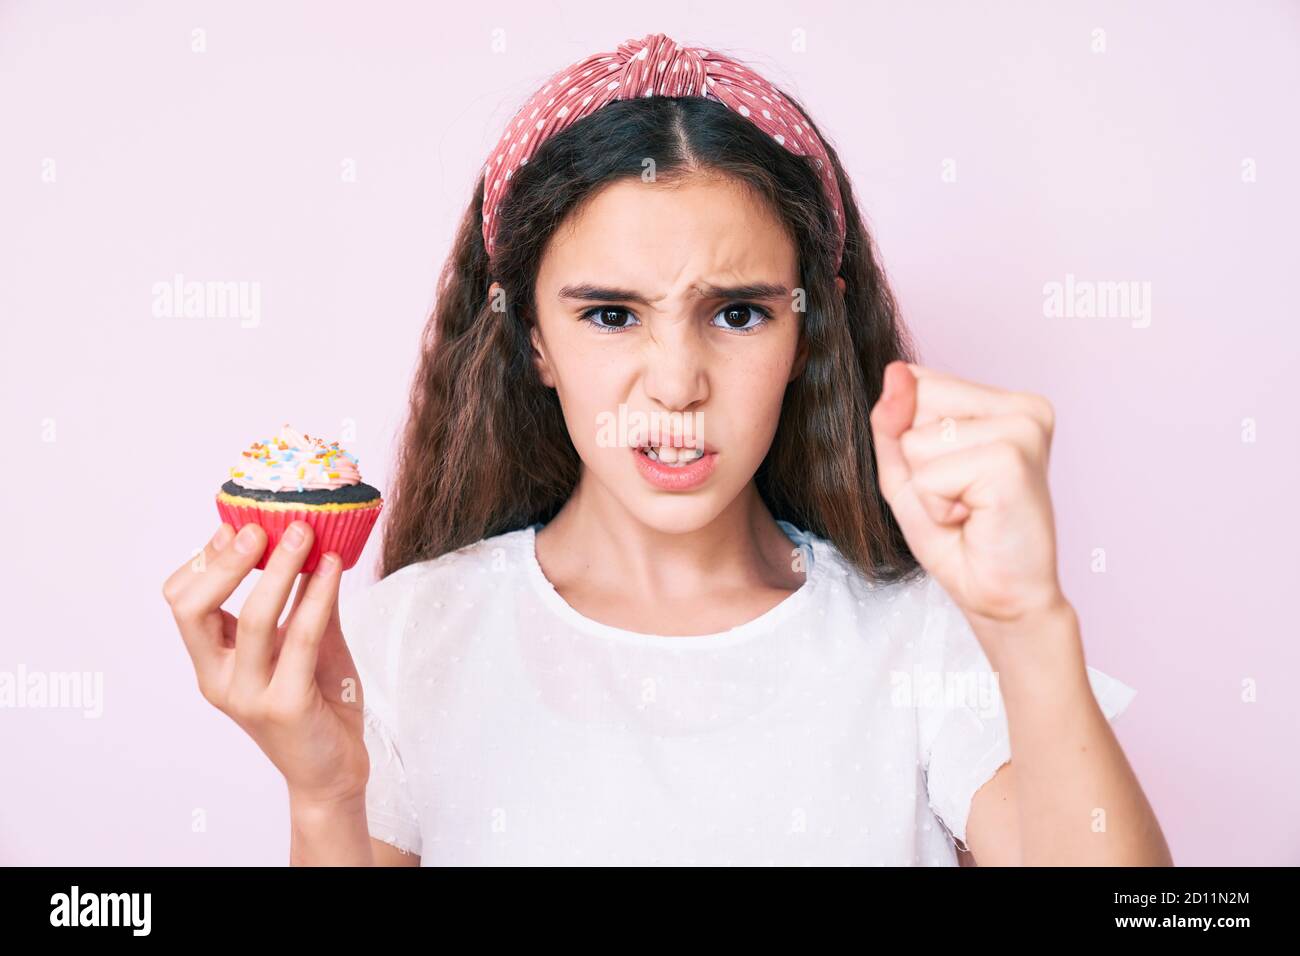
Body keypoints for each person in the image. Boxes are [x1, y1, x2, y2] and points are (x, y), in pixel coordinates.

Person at [162, 32, 1171, 866]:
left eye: (737, 312)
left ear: (808, 333)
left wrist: (1029, 620)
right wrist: (328, 798)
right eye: (610, 313)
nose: (677, 381)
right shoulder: (400, 642)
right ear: (531, 340)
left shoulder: (926, 641)